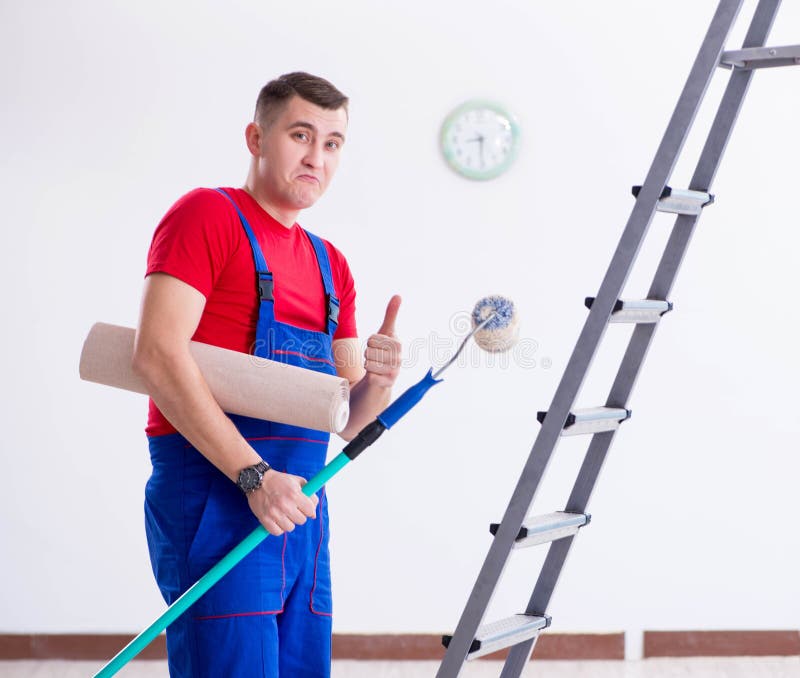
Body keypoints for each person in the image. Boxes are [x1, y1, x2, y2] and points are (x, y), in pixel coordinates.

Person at [132, 72, 401, 678]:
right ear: (257, 137)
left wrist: (379, 384)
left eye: (333, 143)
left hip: (300, 509)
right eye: (300, 135)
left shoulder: (332, 264)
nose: (317, 157)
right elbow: (155, 354)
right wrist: (253, 476)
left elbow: (346, 420)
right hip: (216, 496)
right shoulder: (208, 215)